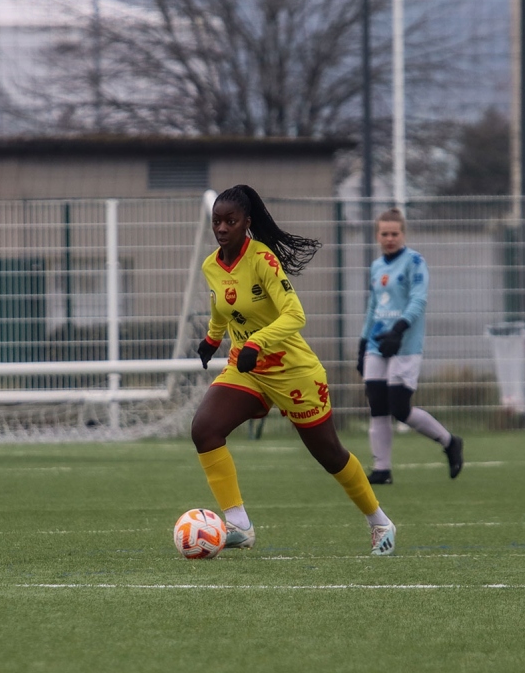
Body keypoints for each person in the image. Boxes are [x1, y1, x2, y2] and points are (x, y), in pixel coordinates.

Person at [193, 184, 396, 555]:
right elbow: (222, 308)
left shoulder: (263, 259)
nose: (221, 228)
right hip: (247, 368)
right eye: (217, 221)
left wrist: (257, 342)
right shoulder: (211, 265)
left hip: (293, 370)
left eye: (230, 221)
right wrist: (212, 338)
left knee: (329, 454)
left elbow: (295, 314)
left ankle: (379, 521)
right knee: (204, 430)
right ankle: (238, 523)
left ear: (246, 224)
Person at [358, 208, 463, 483]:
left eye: (395, 233)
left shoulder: (415, 261)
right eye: (385, 233)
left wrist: (398, 330)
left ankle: (449, 441)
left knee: (400, 408)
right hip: (376, 342)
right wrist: (362, 341)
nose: (390, 238)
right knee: (377, 405)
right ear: (377, 235)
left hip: (404, 344)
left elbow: (418, 300)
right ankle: (382, 469)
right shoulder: (377, 266)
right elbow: (373, 307)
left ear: (403, 234)